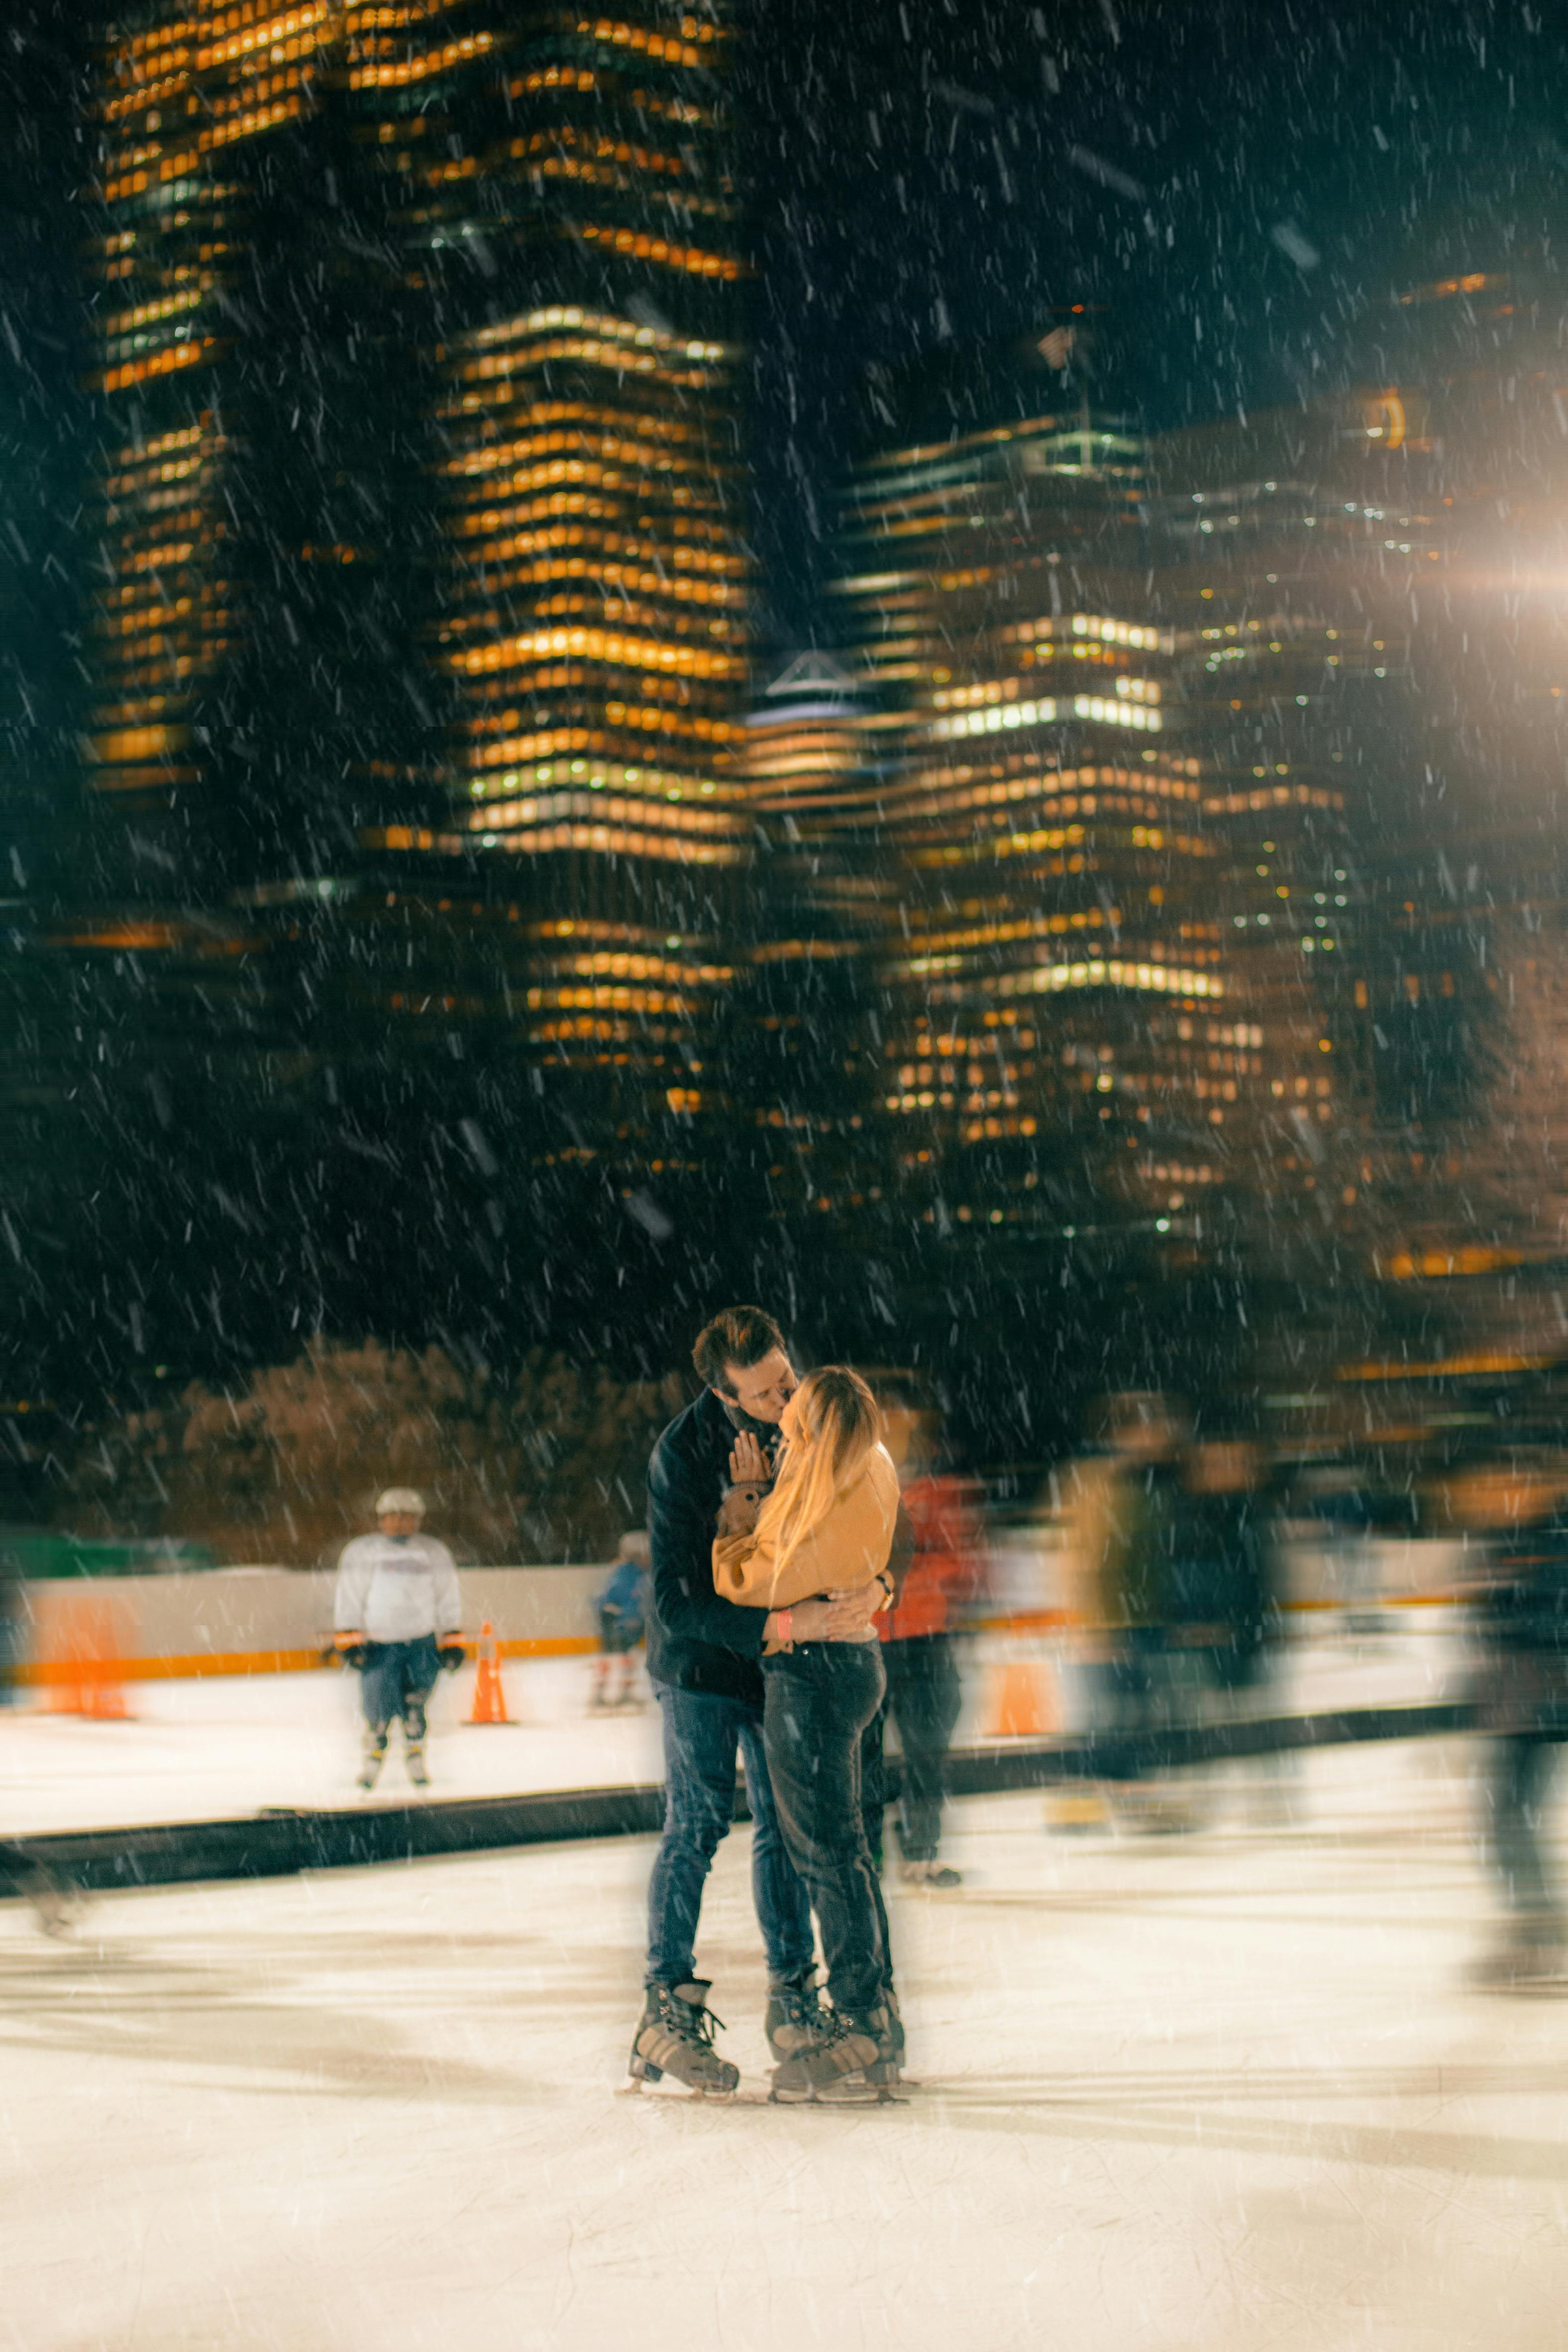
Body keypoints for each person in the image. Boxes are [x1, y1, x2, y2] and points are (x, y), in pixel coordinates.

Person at [629, 1306, 890, 2099]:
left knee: (786, 1827)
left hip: (787, 1669)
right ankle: (664, 2001)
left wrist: (882, 1584)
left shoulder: (814, 1419)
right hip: (705, 1670)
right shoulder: (682, 1452)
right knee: (698, 1823)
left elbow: (881, 1511)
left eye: (787, 1376)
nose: (786, 1396)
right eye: (767, 1391)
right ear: (723, 1391)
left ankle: (792, 1994)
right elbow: (677, 1599)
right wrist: (779, 1612)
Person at [714, 1365, 903, 2101]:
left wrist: (737, 1521)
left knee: (825, 1852)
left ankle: (859, 2022)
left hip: (811, 1673)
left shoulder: (819, 1488)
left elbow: (751, 1582)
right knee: (845, 1849)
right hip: (856, 1664)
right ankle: (877, 2017)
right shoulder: (874, 1465)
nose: (784, 1408)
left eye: (796, 1401)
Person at [864, 1408, 985, 1889]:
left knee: (926, 1751)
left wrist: (901, 1576)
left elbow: (960, 1562)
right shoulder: (855, 1492)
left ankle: (921, 1851)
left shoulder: (939, 1495)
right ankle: (868, 1855)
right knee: (863, 1756)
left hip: (926, 1641)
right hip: (868, 1639)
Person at [333, 1487, 464, 1791]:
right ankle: (372, 1760)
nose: (400, 1522)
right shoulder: (363, 1552)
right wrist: (350, 1637)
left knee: (415, 1705)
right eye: (393, 1516)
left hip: (421, 1643)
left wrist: (452, 1637)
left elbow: (448, 1596)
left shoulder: (433, 1552)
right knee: (377, 1711)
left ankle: (416, 1758)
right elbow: (350, 1596)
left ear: (418, 1520)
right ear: (382, 1519)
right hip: (380, 1646)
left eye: (407, 1517)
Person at [592, 1534, 649, 1710]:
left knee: (623, 1657)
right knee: (621, 1657)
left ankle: (607, 1694)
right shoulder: (629, 1573)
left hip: (618, 1619)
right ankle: (602, 1695)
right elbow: (619, 1597)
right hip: (619, 1621)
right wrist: (627, 1616)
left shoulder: (629, 1572)